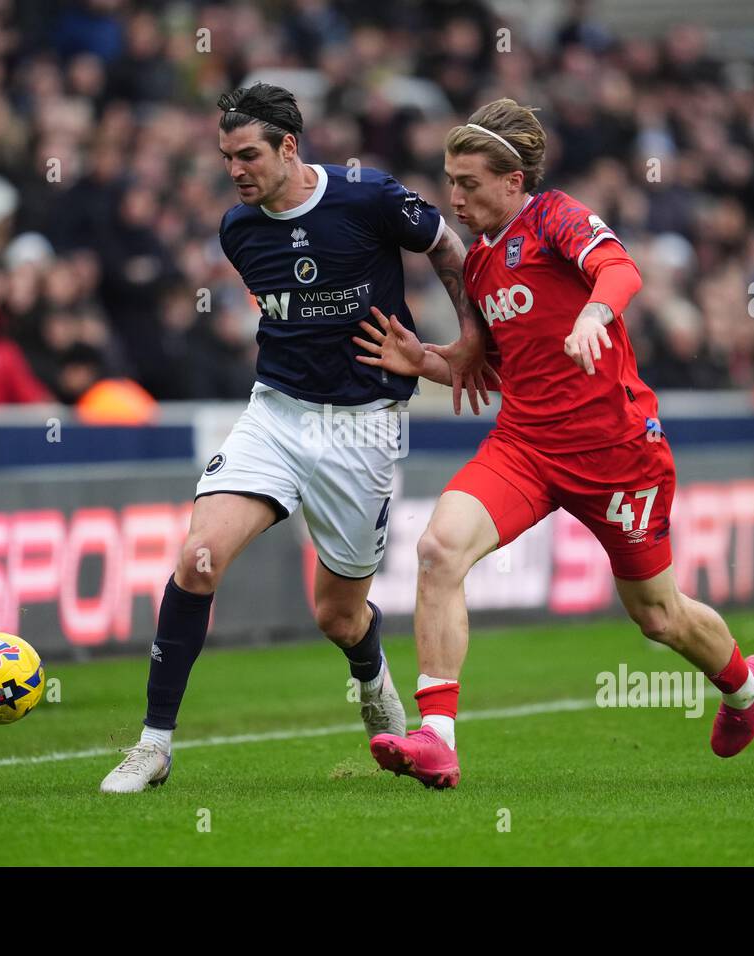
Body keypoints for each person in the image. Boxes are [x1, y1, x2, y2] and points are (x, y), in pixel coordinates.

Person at [354, 99, 754, 789]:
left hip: (617, 453)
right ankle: (436, 736)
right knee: (437, 550)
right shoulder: (484, 264)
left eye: (468, 183)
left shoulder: (555, 217)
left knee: (659, 617)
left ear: (513, 178)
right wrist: (427, 361)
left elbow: (622, 271)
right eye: (449, 182)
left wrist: (593, 316)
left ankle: (743, 687)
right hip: (525, 447)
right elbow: (492, 371)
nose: (454, 198)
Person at [100, 82, 493, 793]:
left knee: (338, 616)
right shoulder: (238, 230)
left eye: (248, 154)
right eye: (226, 157)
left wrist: (468, 339)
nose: (236, 170)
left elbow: (447, 246)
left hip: (362, 428)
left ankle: (371, 677)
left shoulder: (368, 196)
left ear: (288, 146)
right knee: (198, 559)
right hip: (275, 414)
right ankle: (154, 744)